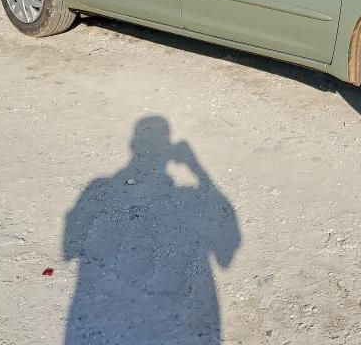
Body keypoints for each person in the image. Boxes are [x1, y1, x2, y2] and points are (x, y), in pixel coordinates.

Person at [63, 117, 240, 344]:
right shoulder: (188, 197)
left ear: (133, 144)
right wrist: (196, 168)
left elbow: (69, 250)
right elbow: (226, 255)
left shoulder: (98, 188)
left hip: (110, 324)